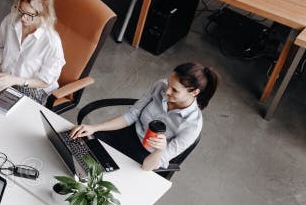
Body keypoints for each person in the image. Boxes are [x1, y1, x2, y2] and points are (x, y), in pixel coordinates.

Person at [71, 63, 220, 171]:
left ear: (194, 92)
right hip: (127, 132)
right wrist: (94, 127)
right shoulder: (160, 86)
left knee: (103, 179)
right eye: (168, 83)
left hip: (145, 156)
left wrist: (160, 150)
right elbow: (131, 115)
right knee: (79, 151)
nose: (167, 91)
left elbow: (148, 167)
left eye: (174, 90)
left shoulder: (193, 125)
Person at [0, 0, 65, 102]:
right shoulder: (12, 19)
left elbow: (45, 81)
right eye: (21, 10)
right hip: (5, 77)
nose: (23, 17)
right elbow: (0, 46)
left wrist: (15, 81)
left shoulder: (51, 41)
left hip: (31, 87)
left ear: (43, 14)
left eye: (29, 14)